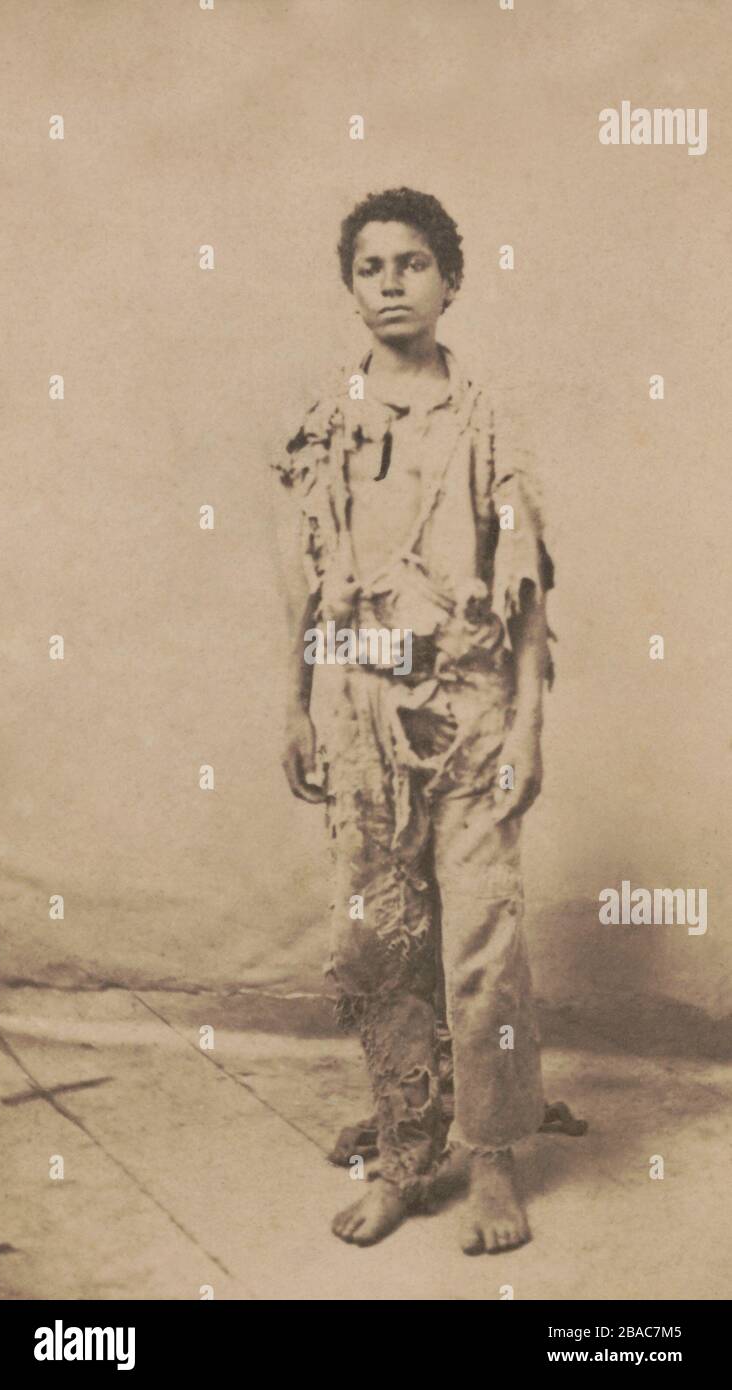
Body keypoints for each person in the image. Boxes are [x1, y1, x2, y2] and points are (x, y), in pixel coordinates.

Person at [271, 187, 555, 1253]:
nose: (390, 285)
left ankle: (490, 1157)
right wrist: (294, 706)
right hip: (355, 714)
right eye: (370, 268)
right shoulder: (325, 421)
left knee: (482, 941)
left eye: (412, 265)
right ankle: (403, 1149)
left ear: (450, 280)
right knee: (381, 942)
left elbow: (528, 592)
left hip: (472, 713)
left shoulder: (487, 424)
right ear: (352, 287)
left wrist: (527, 729)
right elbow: (308, 588)